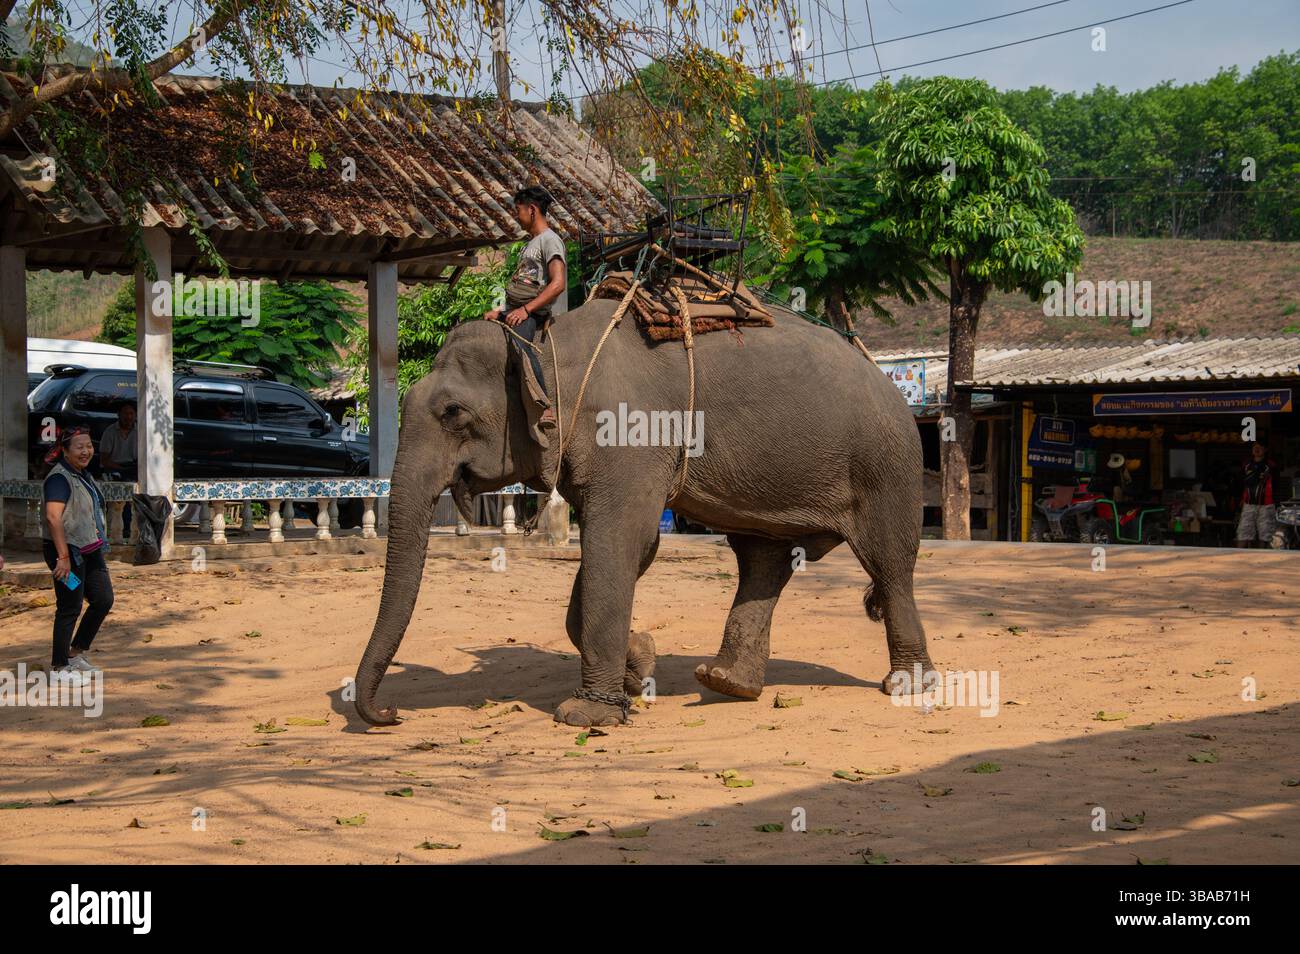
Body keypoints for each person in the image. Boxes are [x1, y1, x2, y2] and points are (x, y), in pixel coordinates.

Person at [484, 185, 567, 429]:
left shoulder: (550, 241)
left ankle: (545, 406)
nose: (516, 216)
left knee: (520, 346)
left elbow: (558, 284)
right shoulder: (530, 243)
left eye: (518, 210)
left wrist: (526, 311)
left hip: (533, 313)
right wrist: (502, 312)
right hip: (517, 309)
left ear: (532, 210)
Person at [41, 426, 114, 686]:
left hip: (89, 551)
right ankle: (59, 666)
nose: (86, 452)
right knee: (70, 605)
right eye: (79, 447)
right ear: (65, 450)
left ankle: (74, 653)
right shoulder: (60, 478)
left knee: (103, 599)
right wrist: (63, 557)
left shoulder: (82, 474)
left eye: (89, 446)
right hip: (67, 554)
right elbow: (53, 516)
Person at [98, 401, 137, 533]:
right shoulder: (110, 432)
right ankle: (119, 530)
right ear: (119, 414)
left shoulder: (141, 431)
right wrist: (121, 469)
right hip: (114, 469)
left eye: (131, 413)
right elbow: (104, 460)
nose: (129, 417)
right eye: (125, 413)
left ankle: (130, 530)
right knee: (119, 498)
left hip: (133, 468)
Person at [1236, 441, 1278, 548]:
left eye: (1260, 447)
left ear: (1265, 450)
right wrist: (1241, 499)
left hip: (1266, 504)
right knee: (1243, 533)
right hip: (1248, 503)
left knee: (1266, 535)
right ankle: (1237, 559)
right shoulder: (1246, 465)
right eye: (1255, 447)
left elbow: (1275, 484)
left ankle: (1264, 560)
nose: (1257, 449)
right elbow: (1241, 483)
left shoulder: (1271, 465)